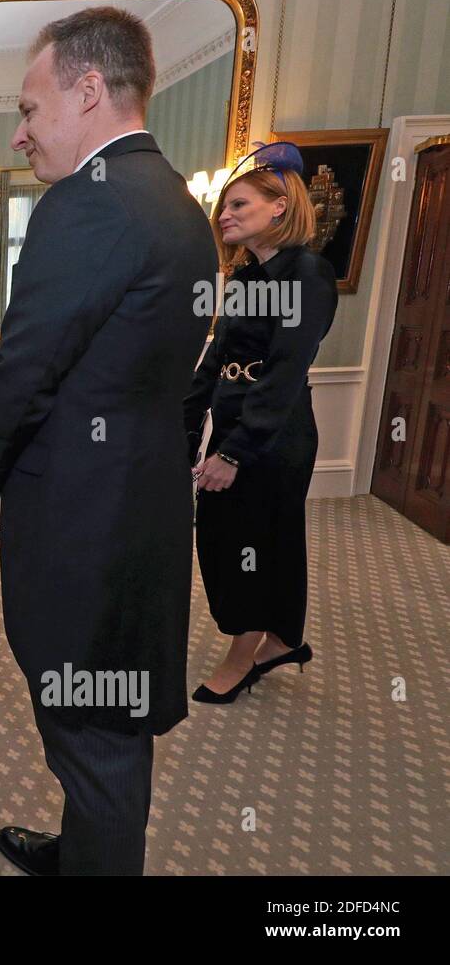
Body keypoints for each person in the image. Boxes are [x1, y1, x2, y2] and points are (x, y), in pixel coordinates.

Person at [0, 6, 216, 875]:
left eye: (31, 111)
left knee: (93, 740)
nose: (21, 135)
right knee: (108, 725)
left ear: (89, 89)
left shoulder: (87, 207)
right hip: (140, 507)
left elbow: (25, 368)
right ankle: (78, 850)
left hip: (84, 530)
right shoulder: (184, 204)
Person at [183, 142, 337, 704]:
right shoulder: (247, 278)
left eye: (238, 204)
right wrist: (185, 433)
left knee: (250, 542)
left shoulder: (308, 273)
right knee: (225, 538)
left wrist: (234, 453)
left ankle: (242, 658)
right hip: (234, 425)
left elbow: (285, 372)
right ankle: (279, 640)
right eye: (223, 206)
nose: (224, 214)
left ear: (278, 207)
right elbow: (213, 362)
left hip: (273, 437)